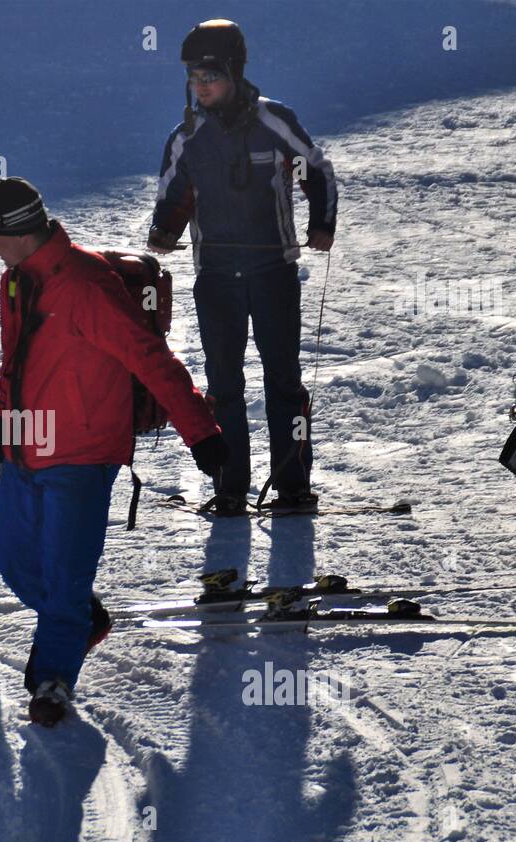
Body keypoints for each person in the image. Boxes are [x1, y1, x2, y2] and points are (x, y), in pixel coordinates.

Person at [0, 177, 227, 727]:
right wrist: (2, 430)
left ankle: (52, 682)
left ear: (16, 229)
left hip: (83, 454)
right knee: (13, 557)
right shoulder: (16, 282)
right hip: (26, 445)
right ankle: (79, 621)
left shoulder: (86, 285)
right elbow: (14, 366)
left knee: (65, 575)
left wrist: (200, 432)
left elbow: (150, 357)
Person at [149, 18, 337, 514]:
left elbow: (314, 169)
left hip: (272, 272)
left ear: (233, 71)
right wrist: (165, 230)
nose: (200, 86)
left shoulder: (274, 121)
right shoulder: (186, 136)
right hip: (215, 278)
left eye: (208, 76)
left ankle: (292, 484)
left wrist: (322, 221)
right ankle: (229, 486)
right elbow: (174, 192)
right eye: (193, 77)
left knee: (283, 381)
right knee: (224, 384)